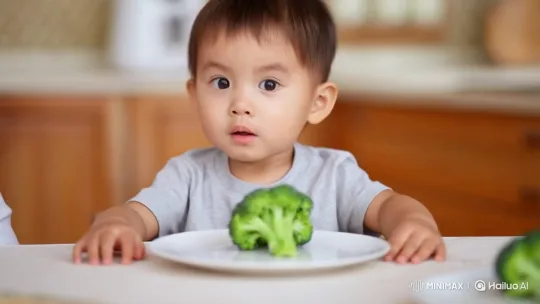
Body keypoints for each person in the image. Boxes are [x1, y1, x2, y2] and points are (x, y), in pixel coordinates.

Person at [73, 0, 446, 265]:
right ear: (194, 94)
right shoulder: (186, 176)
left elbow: (390, 206)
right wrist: (116, 223)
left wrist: (413, 222)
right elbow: (137, 216)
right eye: (220, 82)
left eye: (268, 84)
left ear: (318, 102)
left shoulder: (335, 174)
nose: (240, 103)